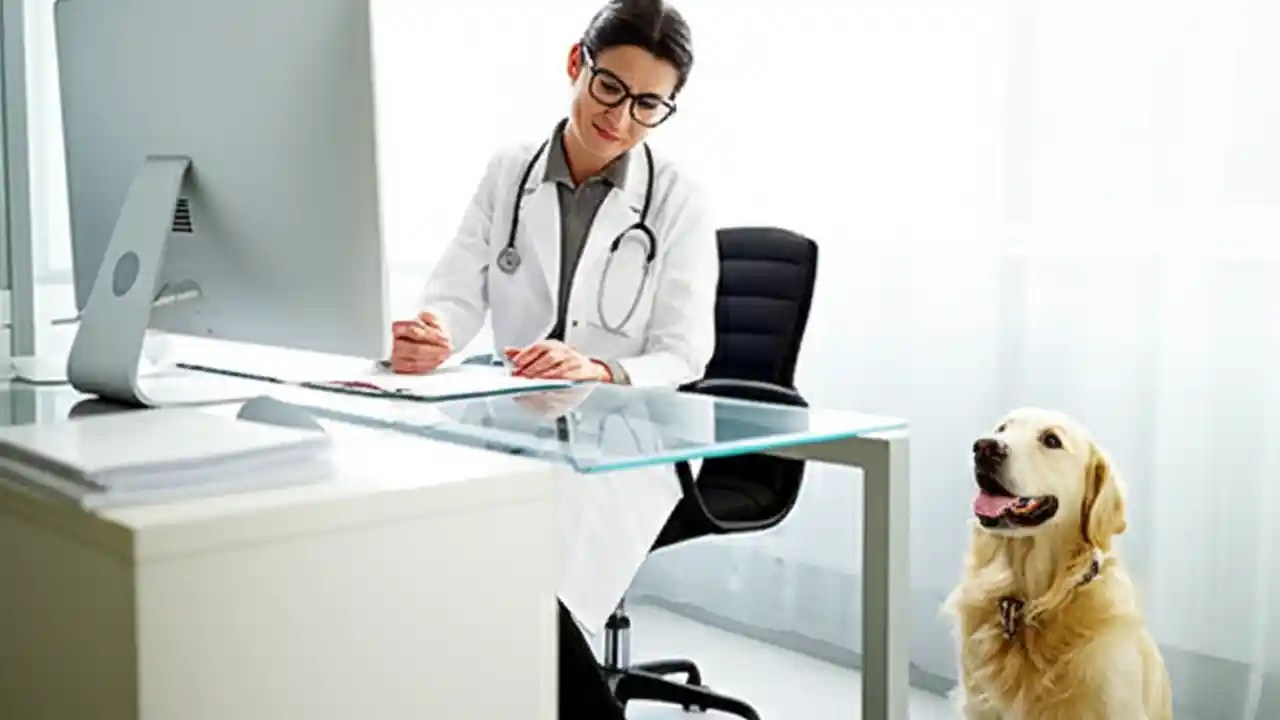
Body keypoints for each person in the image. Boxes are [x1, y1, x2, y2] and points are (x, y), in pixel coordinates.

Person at [390, 1, 715, 717]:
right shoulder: (510, 171)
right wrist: (433, 331)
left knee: (528, 562)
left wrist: (599, 370)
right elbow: (454, 291)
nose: (622, 118)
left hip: (625, 440)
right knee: (435, 530)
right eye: (610, 88)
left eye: (648, 104)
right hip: (517, 426)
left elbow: (686, 350)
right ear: (577, 65)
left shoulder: (678, 197)